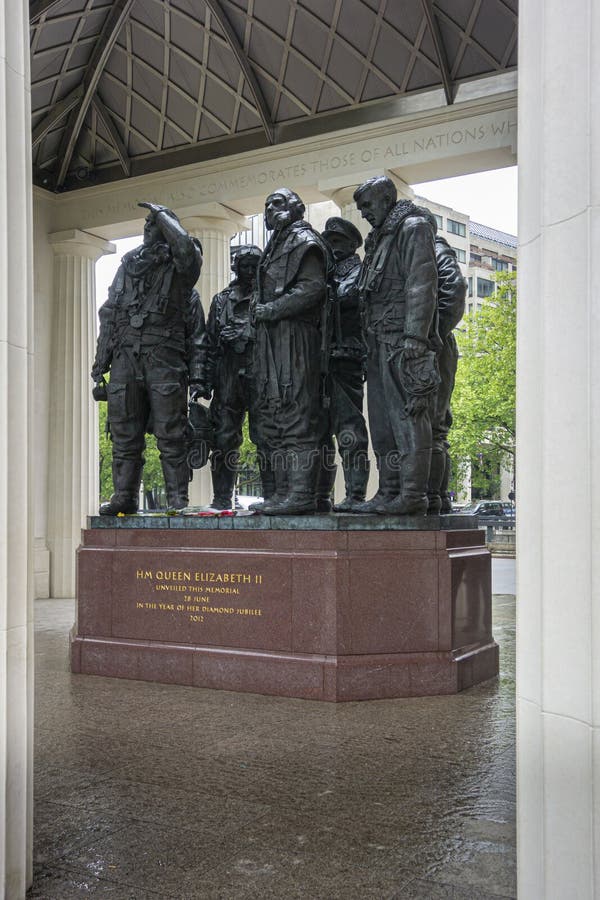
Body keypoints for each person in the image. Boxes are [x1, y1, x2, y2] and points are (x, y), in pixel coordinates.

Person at [91, 202, 203, 514]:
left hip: (163, 359)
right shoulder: (127, 266)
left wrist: (165, 214)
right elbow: (109, 314)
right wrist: (101, 364)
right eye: (148, 223)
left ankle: (178, 500)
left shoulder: (180, 269)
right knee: (124, 433)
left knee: (171, 433)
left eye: (154, 223)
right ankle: (124, 496)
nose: (148, 226)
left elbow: (186, 252)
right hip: (126, 359)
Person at [353, 176, 439, 515]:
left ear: (387, 198)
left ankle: (412, 494)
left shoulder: (412, 227)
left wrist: (415, 338)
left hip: (402, 343)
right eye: (360, 208)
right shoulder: (380, 237)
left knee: (408, 420)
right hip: (377, 342)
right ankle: (388, 491)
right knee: (381, 424)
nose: (363, 214)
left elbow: (421, 283)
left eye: (367, 206)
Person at [251, 188, 330, 515]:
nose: (270, 209)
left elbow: (312, 288)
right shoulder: (276, 244)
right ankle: (283, 494)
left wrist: (273, 309)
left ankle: (299, 495)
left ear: (295, 209)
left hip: (295, 338)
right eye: (267, 204)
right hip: (272, 339)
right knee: (276, 414)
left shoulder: (304, 242)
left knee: (296, 412)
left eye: (278, 203)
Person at [194, 245, 262, 509]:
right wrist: (202, 380)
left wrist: (246, 334)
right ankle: (221, 499)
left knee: (265, 437)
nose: (249, 271)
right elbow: (208, 343)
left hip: (260, 376)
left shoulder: (269, 297)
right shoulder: (221, 301)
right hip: (227, 378)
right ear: (235, 267)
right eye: (244, 265)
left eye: (254, 265)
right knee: (223, 439)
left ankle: (274, 497)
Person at [317, 216, 370, 512]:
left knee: (349, 429)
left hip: (346, 360)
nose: (331, 247)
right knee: (318, 432)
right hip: (320, 363)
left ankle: (356, 494)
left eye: (337, 241)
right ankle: (321, 494)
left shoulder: (359, 274)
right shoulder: (324, 276)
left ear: (352, 245)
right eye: (329, 241)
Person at [419, 209, 467, 513]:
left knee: (434, 424)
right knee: (427, 423)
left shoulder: (436, 251)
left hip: (434, 345)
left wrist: (431, 332)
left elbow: (455, 290)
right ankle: (433, 497)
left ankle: (435, 497)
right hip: (429, 342)